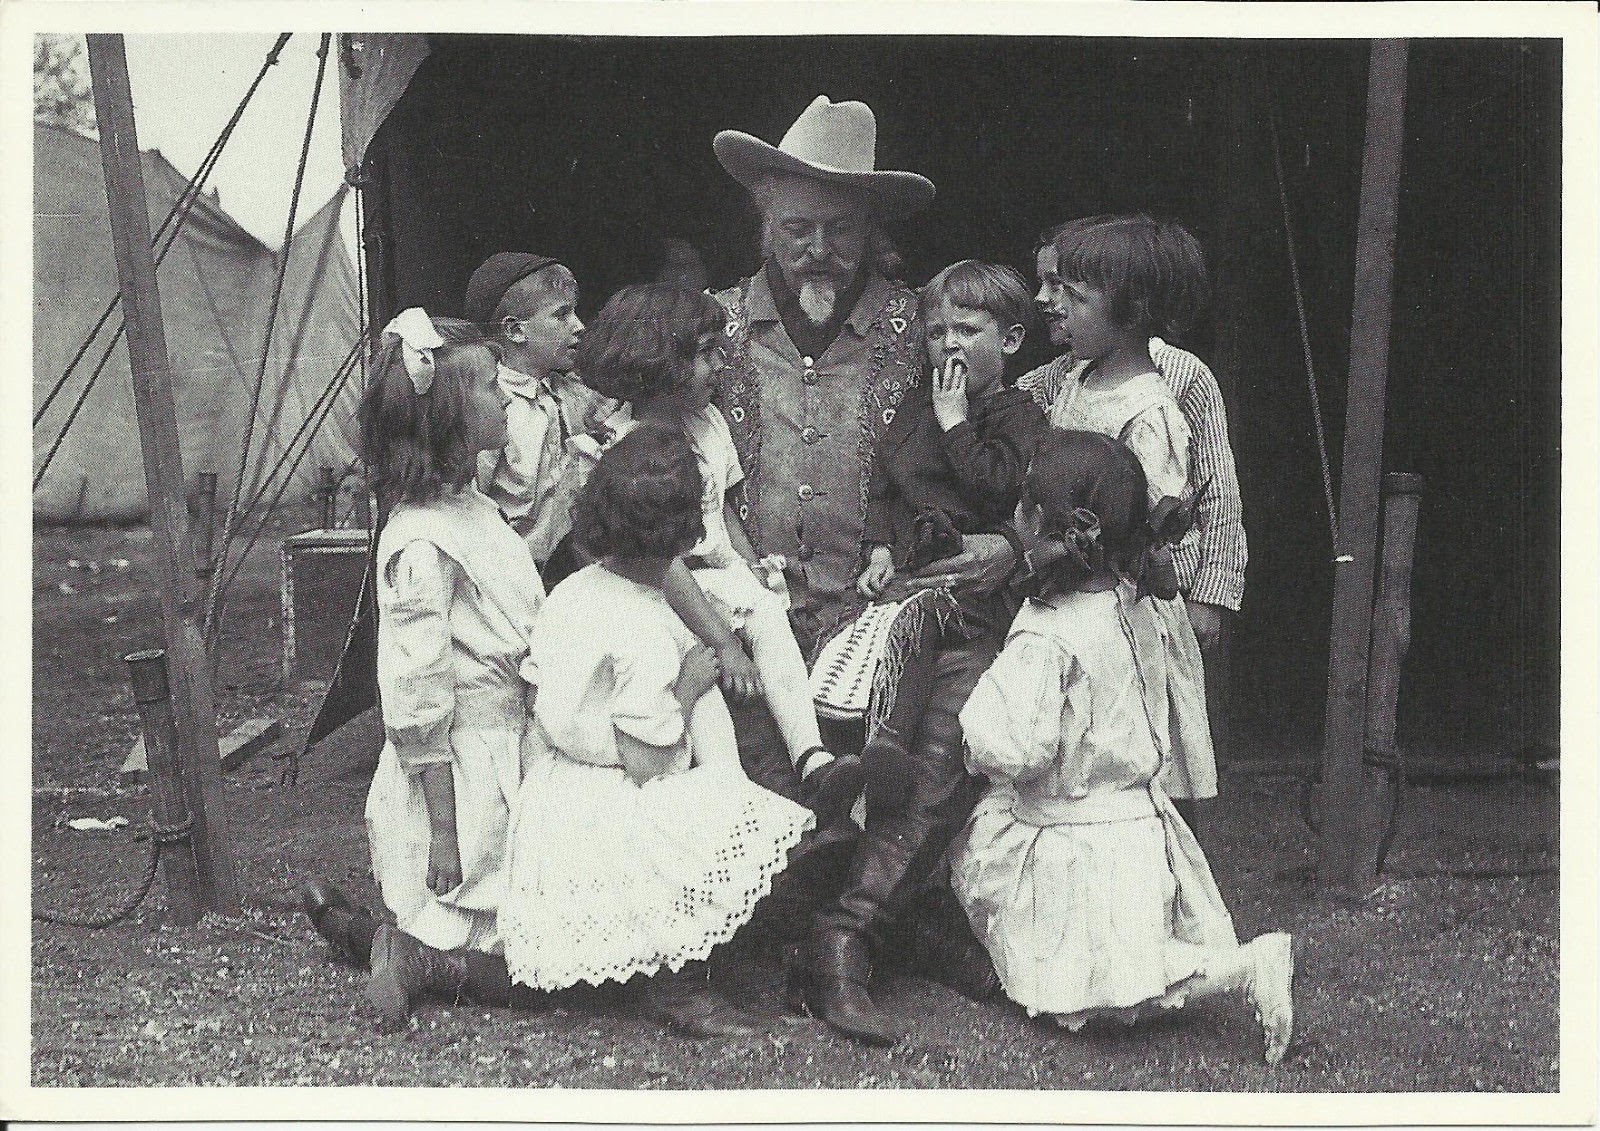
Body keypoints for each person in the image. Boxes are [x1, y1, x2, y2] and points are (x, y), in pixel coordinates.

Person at [711, 96, 1017, 1044]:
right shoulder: (712, 329)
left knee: (952, 730)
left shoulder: (920, 329)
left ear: (870, 232)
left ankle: (859, 934)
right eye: (796, 228)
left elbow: (1030, 402)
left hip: (883, 611)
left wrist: (1015, 538)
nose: (816, 250)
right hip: (748, 617)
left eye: (839, 231)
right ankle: (876, 930)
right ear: (764, 223)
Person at [951, 429, 1294, 1064]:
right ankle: (1224, 965)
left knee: (1083, 1004)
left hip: (1071, 841)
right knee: (1119, 981)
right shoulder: (1134, 604)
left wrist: (973, 731)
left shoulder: (1049, 631)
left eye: (1023, 507)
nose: (1015, 519)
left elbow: (1014, 748)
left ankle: (1244, 966)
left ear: (1046, 526)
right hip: (1135, 832)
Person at [500, 425, 814, 1038]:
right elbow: (645, 761)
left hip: (551, 796)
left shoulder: (572, 591)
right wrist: (694, 679)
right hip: (609, 804)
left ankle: (670, 963)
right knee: (745, 822)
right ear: (678, 538)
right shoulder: (642, 626)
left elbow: (543, 697)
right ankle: (675, 980)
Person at [570, 283, 866, 821]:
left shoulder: (709, 425)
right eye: (703, 354)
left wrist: (750, 564)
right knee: (696, 670)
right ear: (658, 362)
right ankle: (727, 791)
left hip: (715, 571)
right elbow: (659, 562)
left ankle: (812, 757)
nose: (719, 366)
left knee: (771, 622)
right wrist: (725, 642)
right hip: (656, 586)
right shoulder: (622, 442)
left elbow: (723, 510)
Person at [327, 308, 546, 1031]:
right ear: (451, 418)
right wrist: (446, 831)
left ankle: (376, 940)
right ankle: (415, 955)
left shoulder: (471, 509)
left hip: (513, 751)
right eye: (488, 385)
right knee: (547, 966)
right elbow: (417, 696)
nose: (507, 396)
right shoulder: (420, 544)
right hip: (465, 777)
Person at [1019, 216, 1247, 829]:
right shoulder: (1071, 379)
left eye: (1072, 294)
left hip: (1120, 608)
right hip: (1069, 598)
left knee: (1137, 765)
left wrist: (1205, 596)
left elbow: (1162, 525)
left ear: (1133, 309)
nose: (1052, 305)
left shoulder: (1153, 407)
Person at [854, 260, 1045, 770]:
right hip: (911, 578)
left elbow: (998, 490)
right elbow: (887, 483)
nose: (950, 344)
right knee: (866, 661)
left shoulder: (1019, 416)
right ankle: (874, 759)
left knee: (954, 717)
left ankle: (896, 754)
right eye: (937, 332)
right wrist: (879, 547)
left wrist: (956, 424)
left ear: (1010, 340)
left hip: (975, 594)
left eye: (967, 330)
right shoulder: (919, 406)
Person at [467, 252, 615, 584]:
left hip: (580, 568)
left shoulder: (576, 393)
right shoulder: (491, 408)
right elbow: (472, 506)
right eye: (561, 315)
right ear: (515, 330)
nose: (579, 326)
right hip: (516, 576)